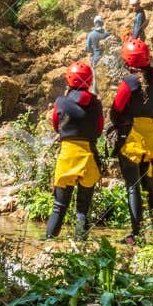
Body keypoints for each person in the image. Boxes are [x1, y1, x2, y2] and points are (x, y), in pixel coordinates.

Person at [107, 37, 153, 242]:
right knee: (150, 186)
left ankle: (136, 235)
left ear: (128, 61)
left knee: (133, 186)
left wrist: (116, 124)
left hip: (131, 139)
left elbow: (116, 110)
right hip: (150, 137)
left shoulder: (129, 82)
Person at [45, 61, 104, 241]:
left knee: (59, 205)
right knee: (82, 209)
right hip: (88, 157)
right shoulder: (96, 103)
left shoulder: (61, 102)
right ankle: (81, 246)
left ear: (69, 79)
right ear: (89, 80)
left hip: (67, 157)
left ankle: (49, 241)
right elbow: (99, 129)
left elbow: (56, 124)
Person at [84, 13, 108, 83]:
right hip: (106, 58)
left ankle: (94, 90)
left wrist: (92, 51)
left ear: (95, 23)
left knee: (95, 79)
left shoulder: (90, 34)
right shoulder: (107, 33)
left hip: (96, 58)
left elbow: (88, 48)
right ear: (102, 23)